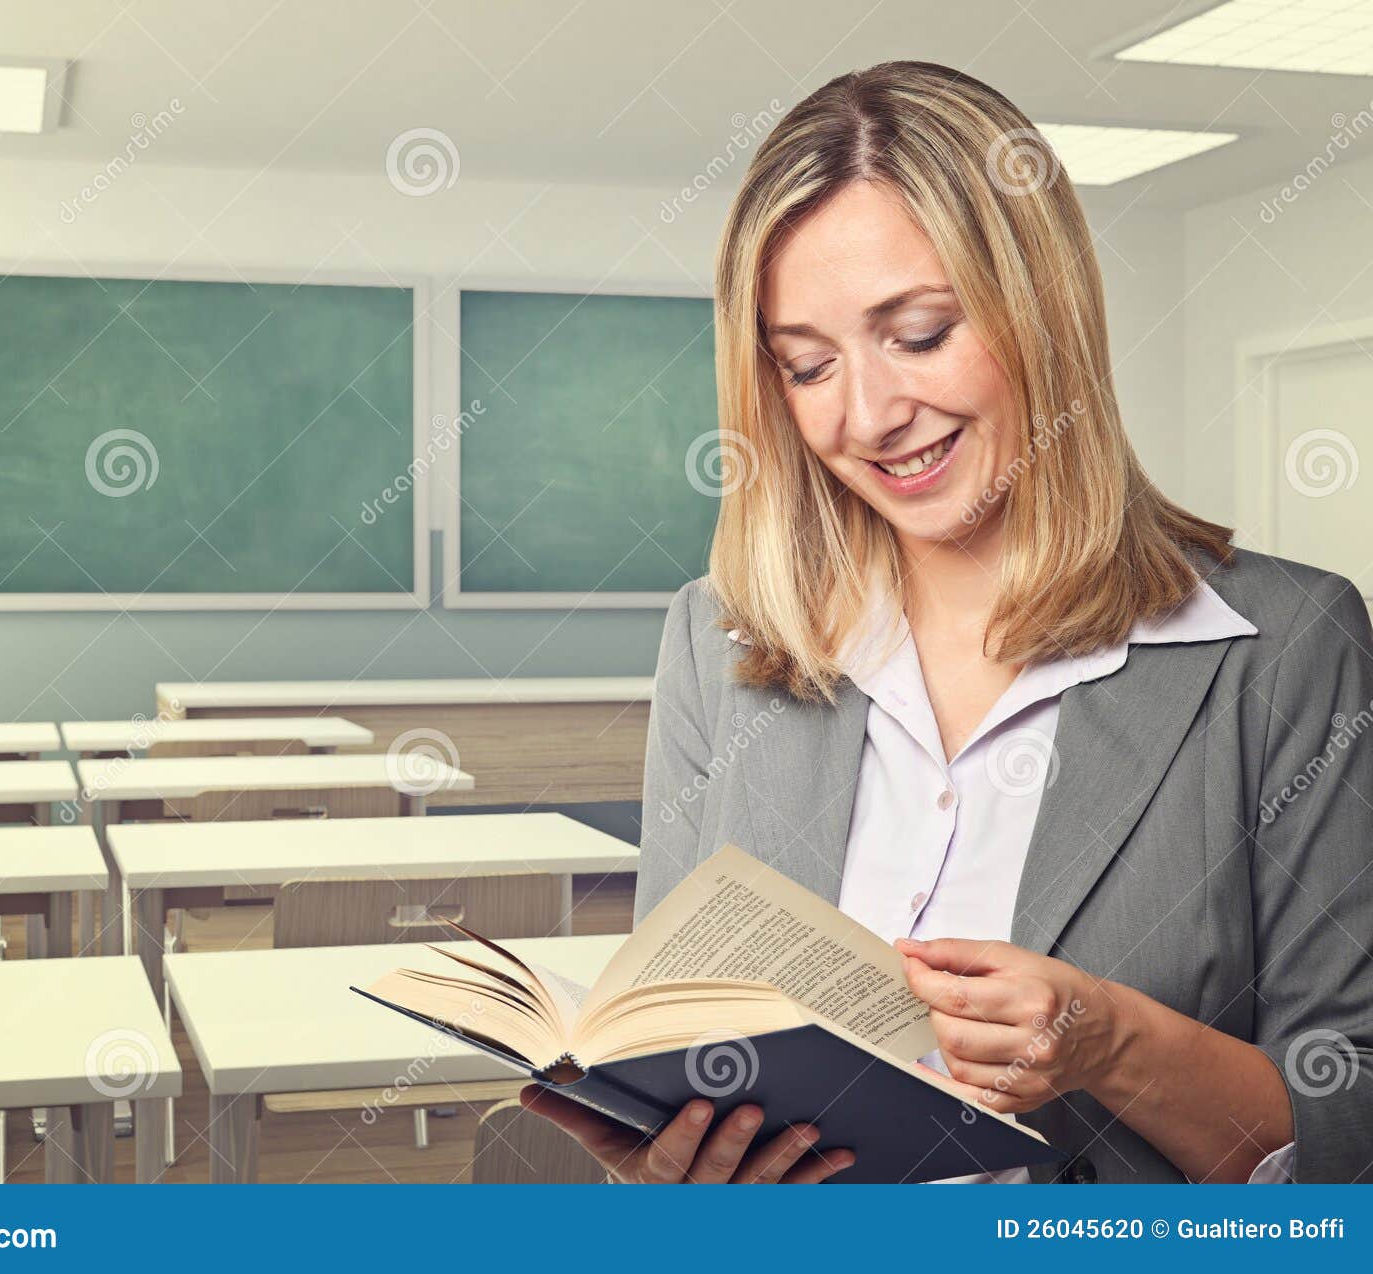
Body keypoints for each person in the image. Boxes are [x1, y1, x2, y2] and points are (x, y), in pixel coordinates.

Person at [520, 60, 1373, 1184]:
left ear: (1042, 315)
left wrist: (1113, 1040)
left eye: (917, 334)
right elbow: (669, 1033)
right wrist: (671, 1162)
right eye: (807, 364)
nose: (866, 416)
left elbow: (1346, 1129)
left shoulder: (1285, 645)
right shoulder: (718, 637)